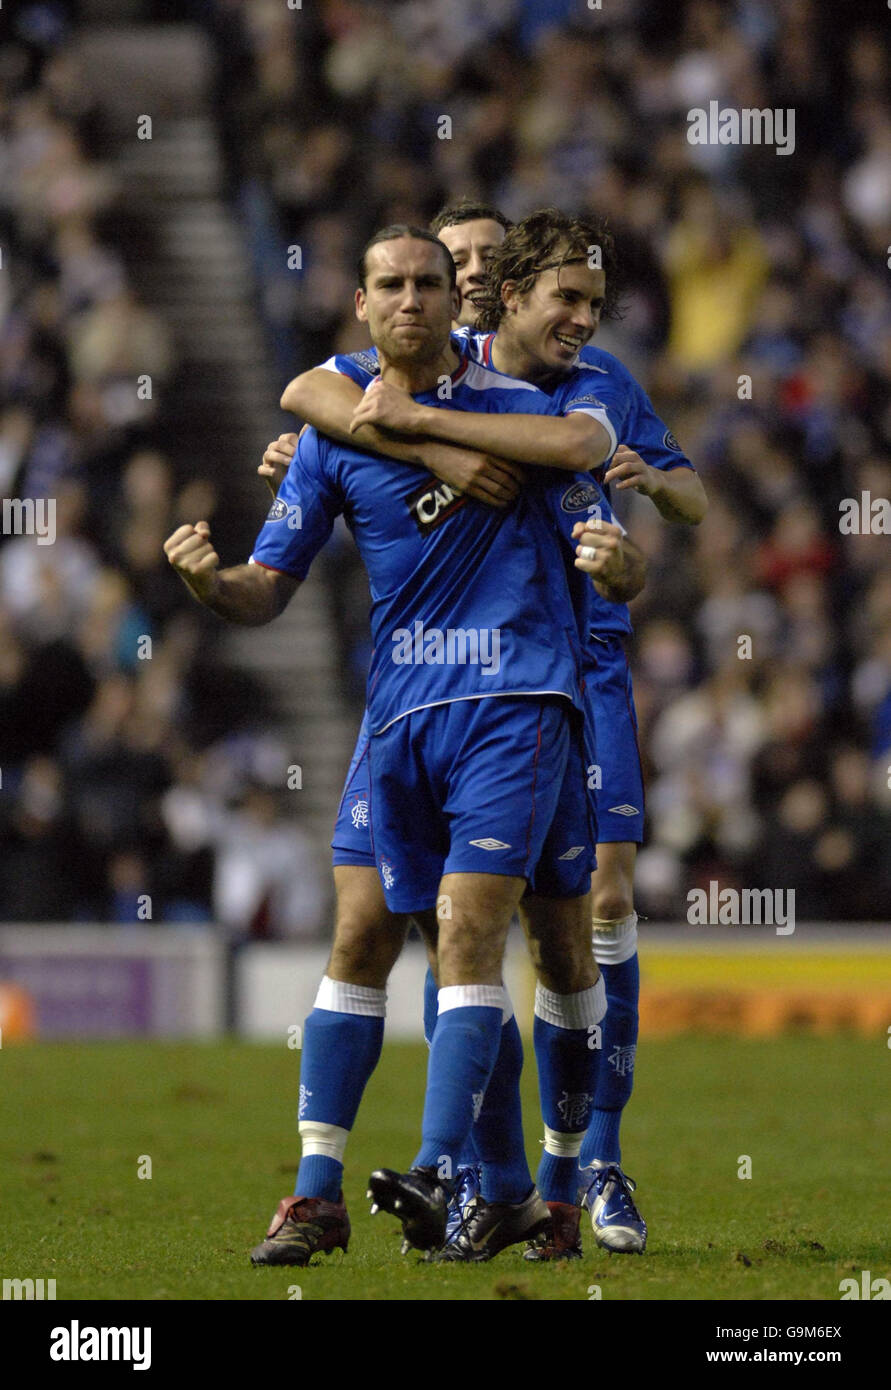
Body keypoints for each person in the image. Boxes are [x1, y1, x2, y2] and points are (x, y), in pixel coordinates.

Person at [166, 225, 622, 1265]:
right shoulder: (331, 431)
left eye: (429, 281)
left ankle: (451, 1168)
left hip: (515, 702)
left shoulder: (521, 403)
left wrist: (621, 561)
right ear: (362, 308)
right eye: (391, 284)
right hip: (402, 716)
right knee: (382, 932)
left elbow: (591, 462)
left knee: (482, 933)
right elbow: (262, 591)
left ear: (456, 300)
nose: (414, 298)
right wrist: (204, 582)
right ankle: (385, 1188)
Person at [279, 204, 705, 1258]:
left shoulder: (592, 383)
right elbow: (311, 389)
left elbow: (656, 484)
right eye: (448, 261)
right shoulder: (447, 366)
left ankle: (591, 1162)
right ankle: (485, 1176)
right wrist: (354, 429)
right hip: (458, 687)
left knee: (588, 910)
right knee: (454, 926)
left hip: (581, 666)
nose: (458, 280)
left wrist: (652, 502)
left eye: (474, 260)